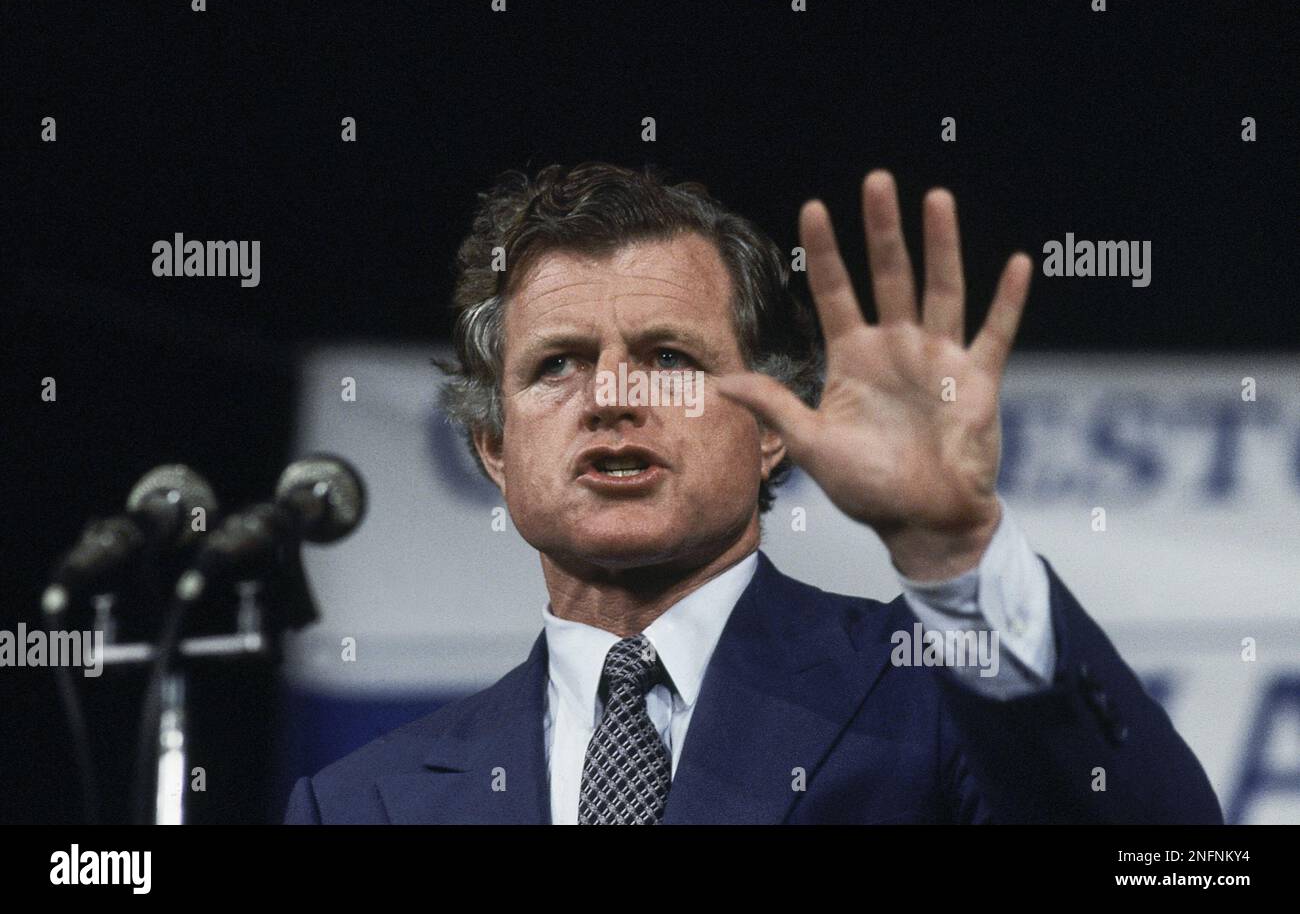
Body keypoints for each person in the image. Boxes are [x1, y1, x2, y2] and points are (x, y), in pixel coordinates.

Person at [284, 162, 1221, 824]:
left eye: (670, 358)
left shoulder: (931, 692)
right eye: (559, 364)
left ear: (772, 426)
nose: (615, 395)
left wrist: (956, 550)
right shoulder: (366, 802)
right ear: (493, 445)